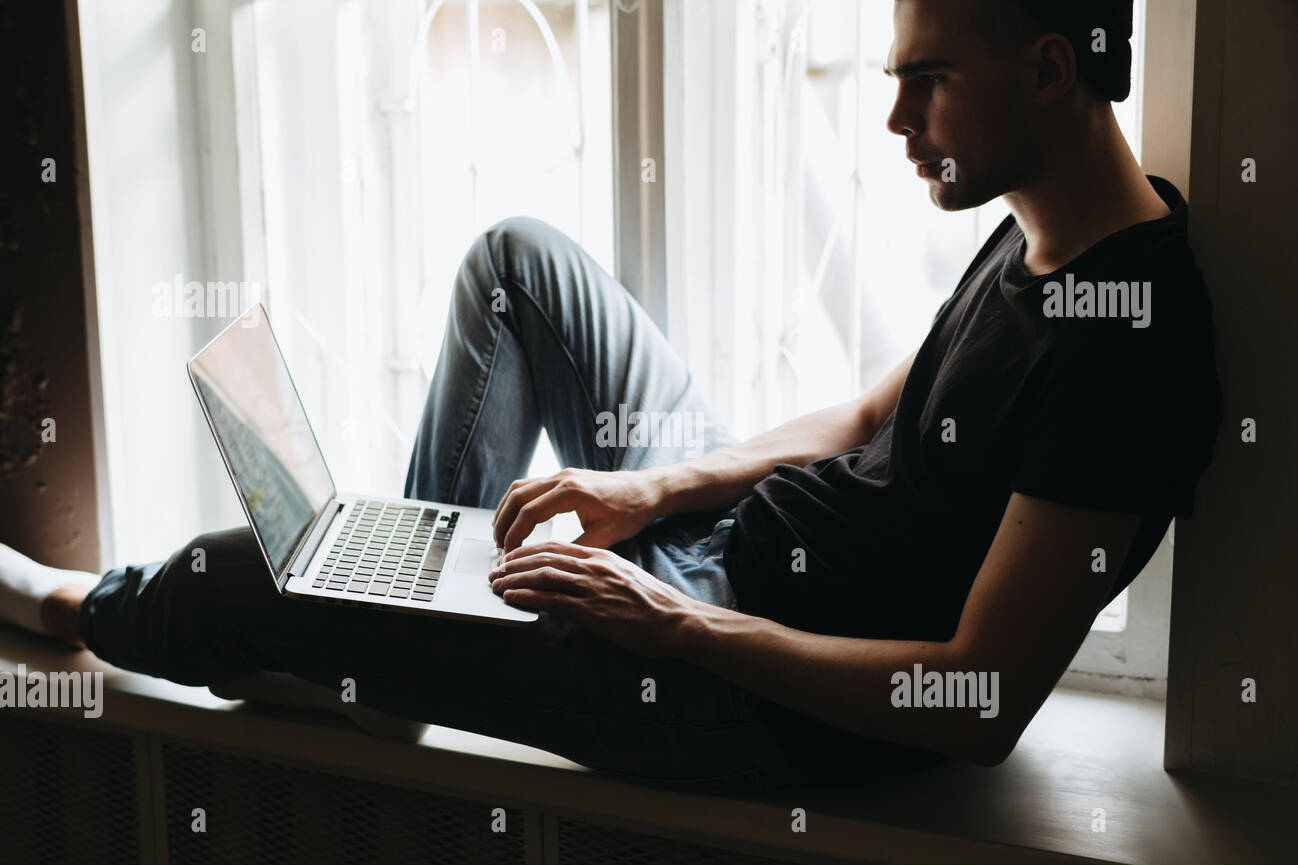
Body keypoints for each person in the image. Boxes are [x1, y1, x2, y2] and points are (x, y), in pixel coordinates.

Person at [0, 0, 1221, 794]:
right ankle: (411, 619)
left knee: (236, 572)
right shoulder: (1047, 225)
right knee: (517, 265)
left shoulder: (1129, 352)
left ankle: (85, 605)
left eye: (930, 81)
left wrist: (667, 622)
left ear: (1050, 70)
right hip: (749, 543)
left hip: (750, 686)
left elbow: (981, 697)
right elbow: (862, 424)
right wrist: (648, 484)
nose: (897, 119)